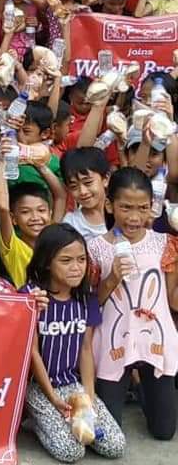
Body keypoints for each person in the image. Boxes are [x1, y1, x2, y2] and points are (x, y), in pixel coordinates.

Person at [88, 167, 178, 441]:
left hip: (156, 338)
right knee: (111, 432)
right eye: (125, 207)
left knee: (164, 431)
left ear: (153, 206)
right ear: (109, 204)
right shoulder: (95, 248)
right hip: (113, 341)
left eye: (142, 208)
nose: (134, 217)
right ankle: (130, 385)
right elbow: (93, 304)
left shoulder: (165, 244)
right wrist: (112, 277)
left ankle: (143, 389)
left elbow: (172, 298)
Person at [23, 224, 125, 463]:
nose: (76, 267)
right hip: (38, 386)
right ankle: (36, 421)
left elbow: (86, 348)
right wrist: (52, 398)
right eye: (66, 260)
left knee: (114, 445)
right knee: (71, 451)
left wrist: (88, 395)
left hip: (71, 384)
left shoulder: (85, 297)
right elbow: (33, 353)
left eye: (81, 259)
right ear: (47, 262)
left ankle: (59, 417)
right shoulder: (33, 298)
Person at [0, 152, 66, 289]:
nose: (35, 218)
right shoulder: (14, 248)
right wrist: (2, 165)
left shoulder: (54, 236)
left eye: (41, 210)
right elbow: (2, 207)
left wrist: (38, 164)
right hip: (27, 306)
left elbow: (61, 196)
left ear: (50, 213)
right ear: (13, 219)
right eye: (25, 212)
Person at [60, 147, 111, 243]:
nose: (83, 192)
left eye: (88, 183)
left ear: (106, 179)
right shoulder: (72, 223)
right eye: (74, 186)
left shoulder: (121, 213)